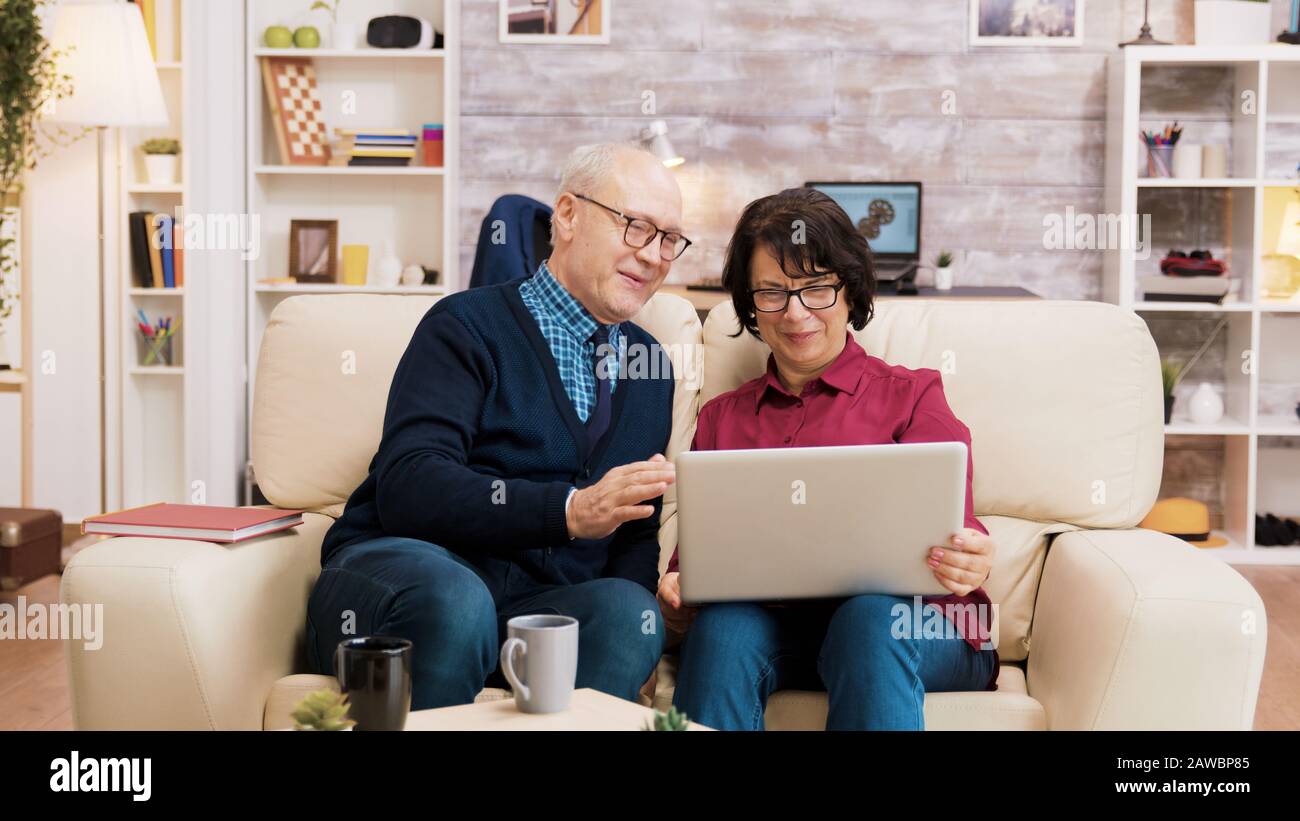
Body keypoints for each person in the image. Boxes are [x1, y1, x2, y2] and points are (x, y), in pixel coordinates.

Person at [307, 142, 691, 709]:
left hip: (535, 604)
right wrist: (566, 512)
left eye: (668, 239)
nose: (654, 254)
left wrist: (652, 616)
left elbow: (634, 531)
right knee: (458, 601)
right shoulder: (465, 326)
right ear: (567, 215)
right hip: (408, 575)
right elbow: (409, 482)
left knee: (626, 613)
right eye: (636, 227)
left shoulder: (650, 366)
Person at [658, 187, 998, 730]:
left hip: (915, 628)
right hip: (779, 631)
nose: (795, 314)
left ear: (849, 291)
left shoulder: (913, 395)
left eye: (815, 288)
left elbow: (958, 533)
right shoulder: (723, 418)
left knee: (866, 619)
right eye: (771, 292)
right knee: (722, 627)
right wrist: (679, 591)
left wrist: (969, 558)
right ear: (750, 304)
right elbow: (696, 566)